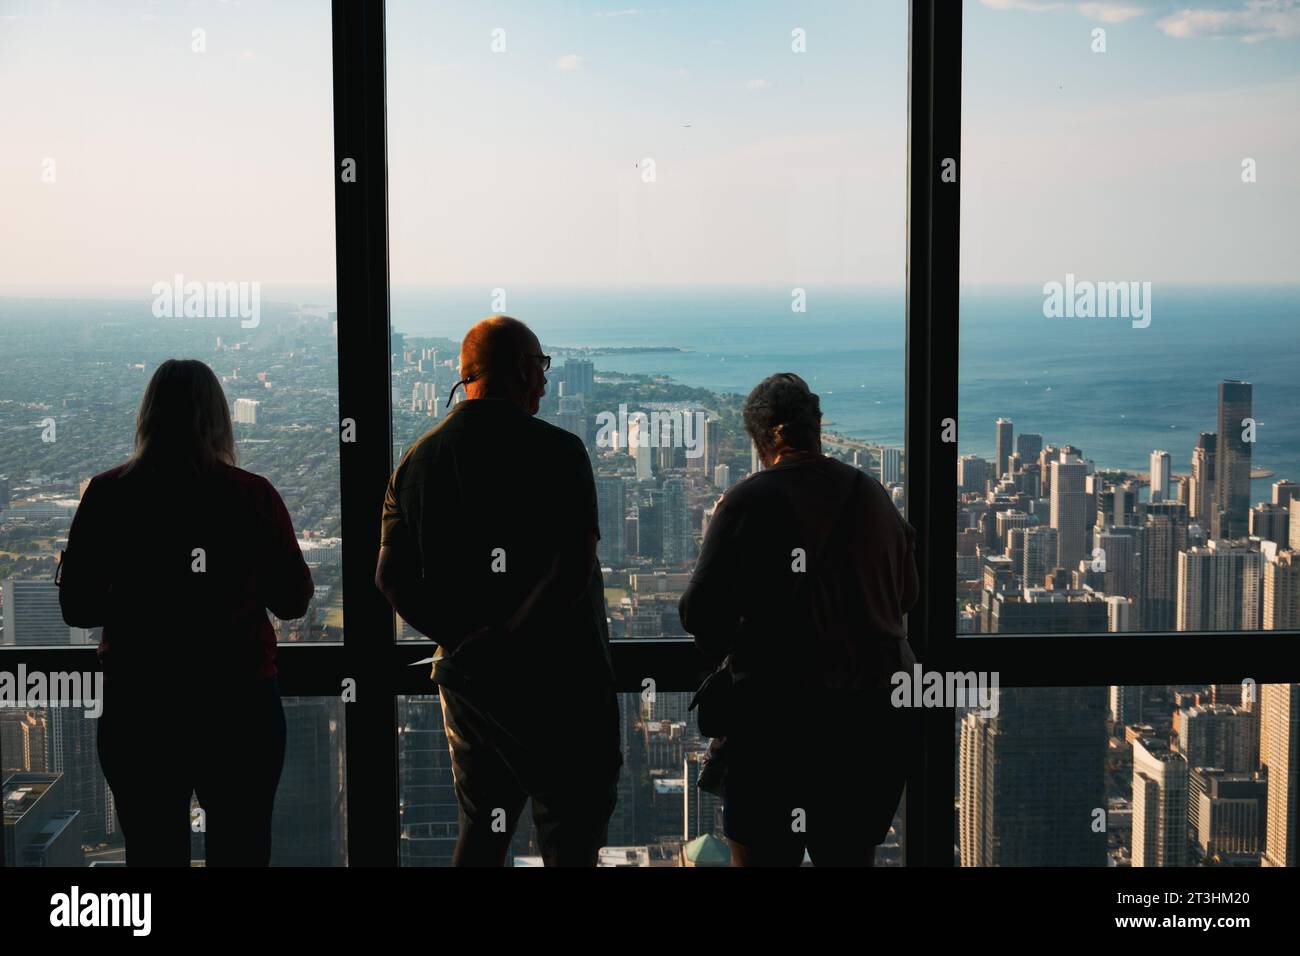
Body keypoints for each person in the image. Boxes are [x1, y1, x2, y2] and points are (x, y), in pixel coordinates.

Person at [375, 315, 621, 867]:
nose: (545, 380)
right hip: (564, 685)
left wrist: (468, 639)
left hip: (472, 687)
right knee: (570, 838)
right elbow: (573, 567)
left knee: (483, 829)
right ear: (516, 370)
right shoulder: (559, 452)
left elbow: (389, 578)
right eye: (540, 366)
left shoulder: (416, 462)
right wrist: (510, 636)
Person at [59, 358, 313, 866]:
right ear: (218, 419)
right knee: (242, 849)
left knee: (152, 853)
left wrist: (140, 598)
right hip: (240, 703)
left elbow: (77, 605)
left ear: (147, 418)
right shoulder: (252, 496)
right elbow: (292, 599)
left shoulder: (108, 495)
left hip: (142, 706)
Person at [679, 372, 920, 866]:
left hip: (776, 724)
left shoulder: (747, 500)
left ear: (761, 438)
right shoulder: (872, 495)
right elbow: (908, 595)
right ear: (818, 425)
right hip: (871, 721)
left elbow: (698, 612)